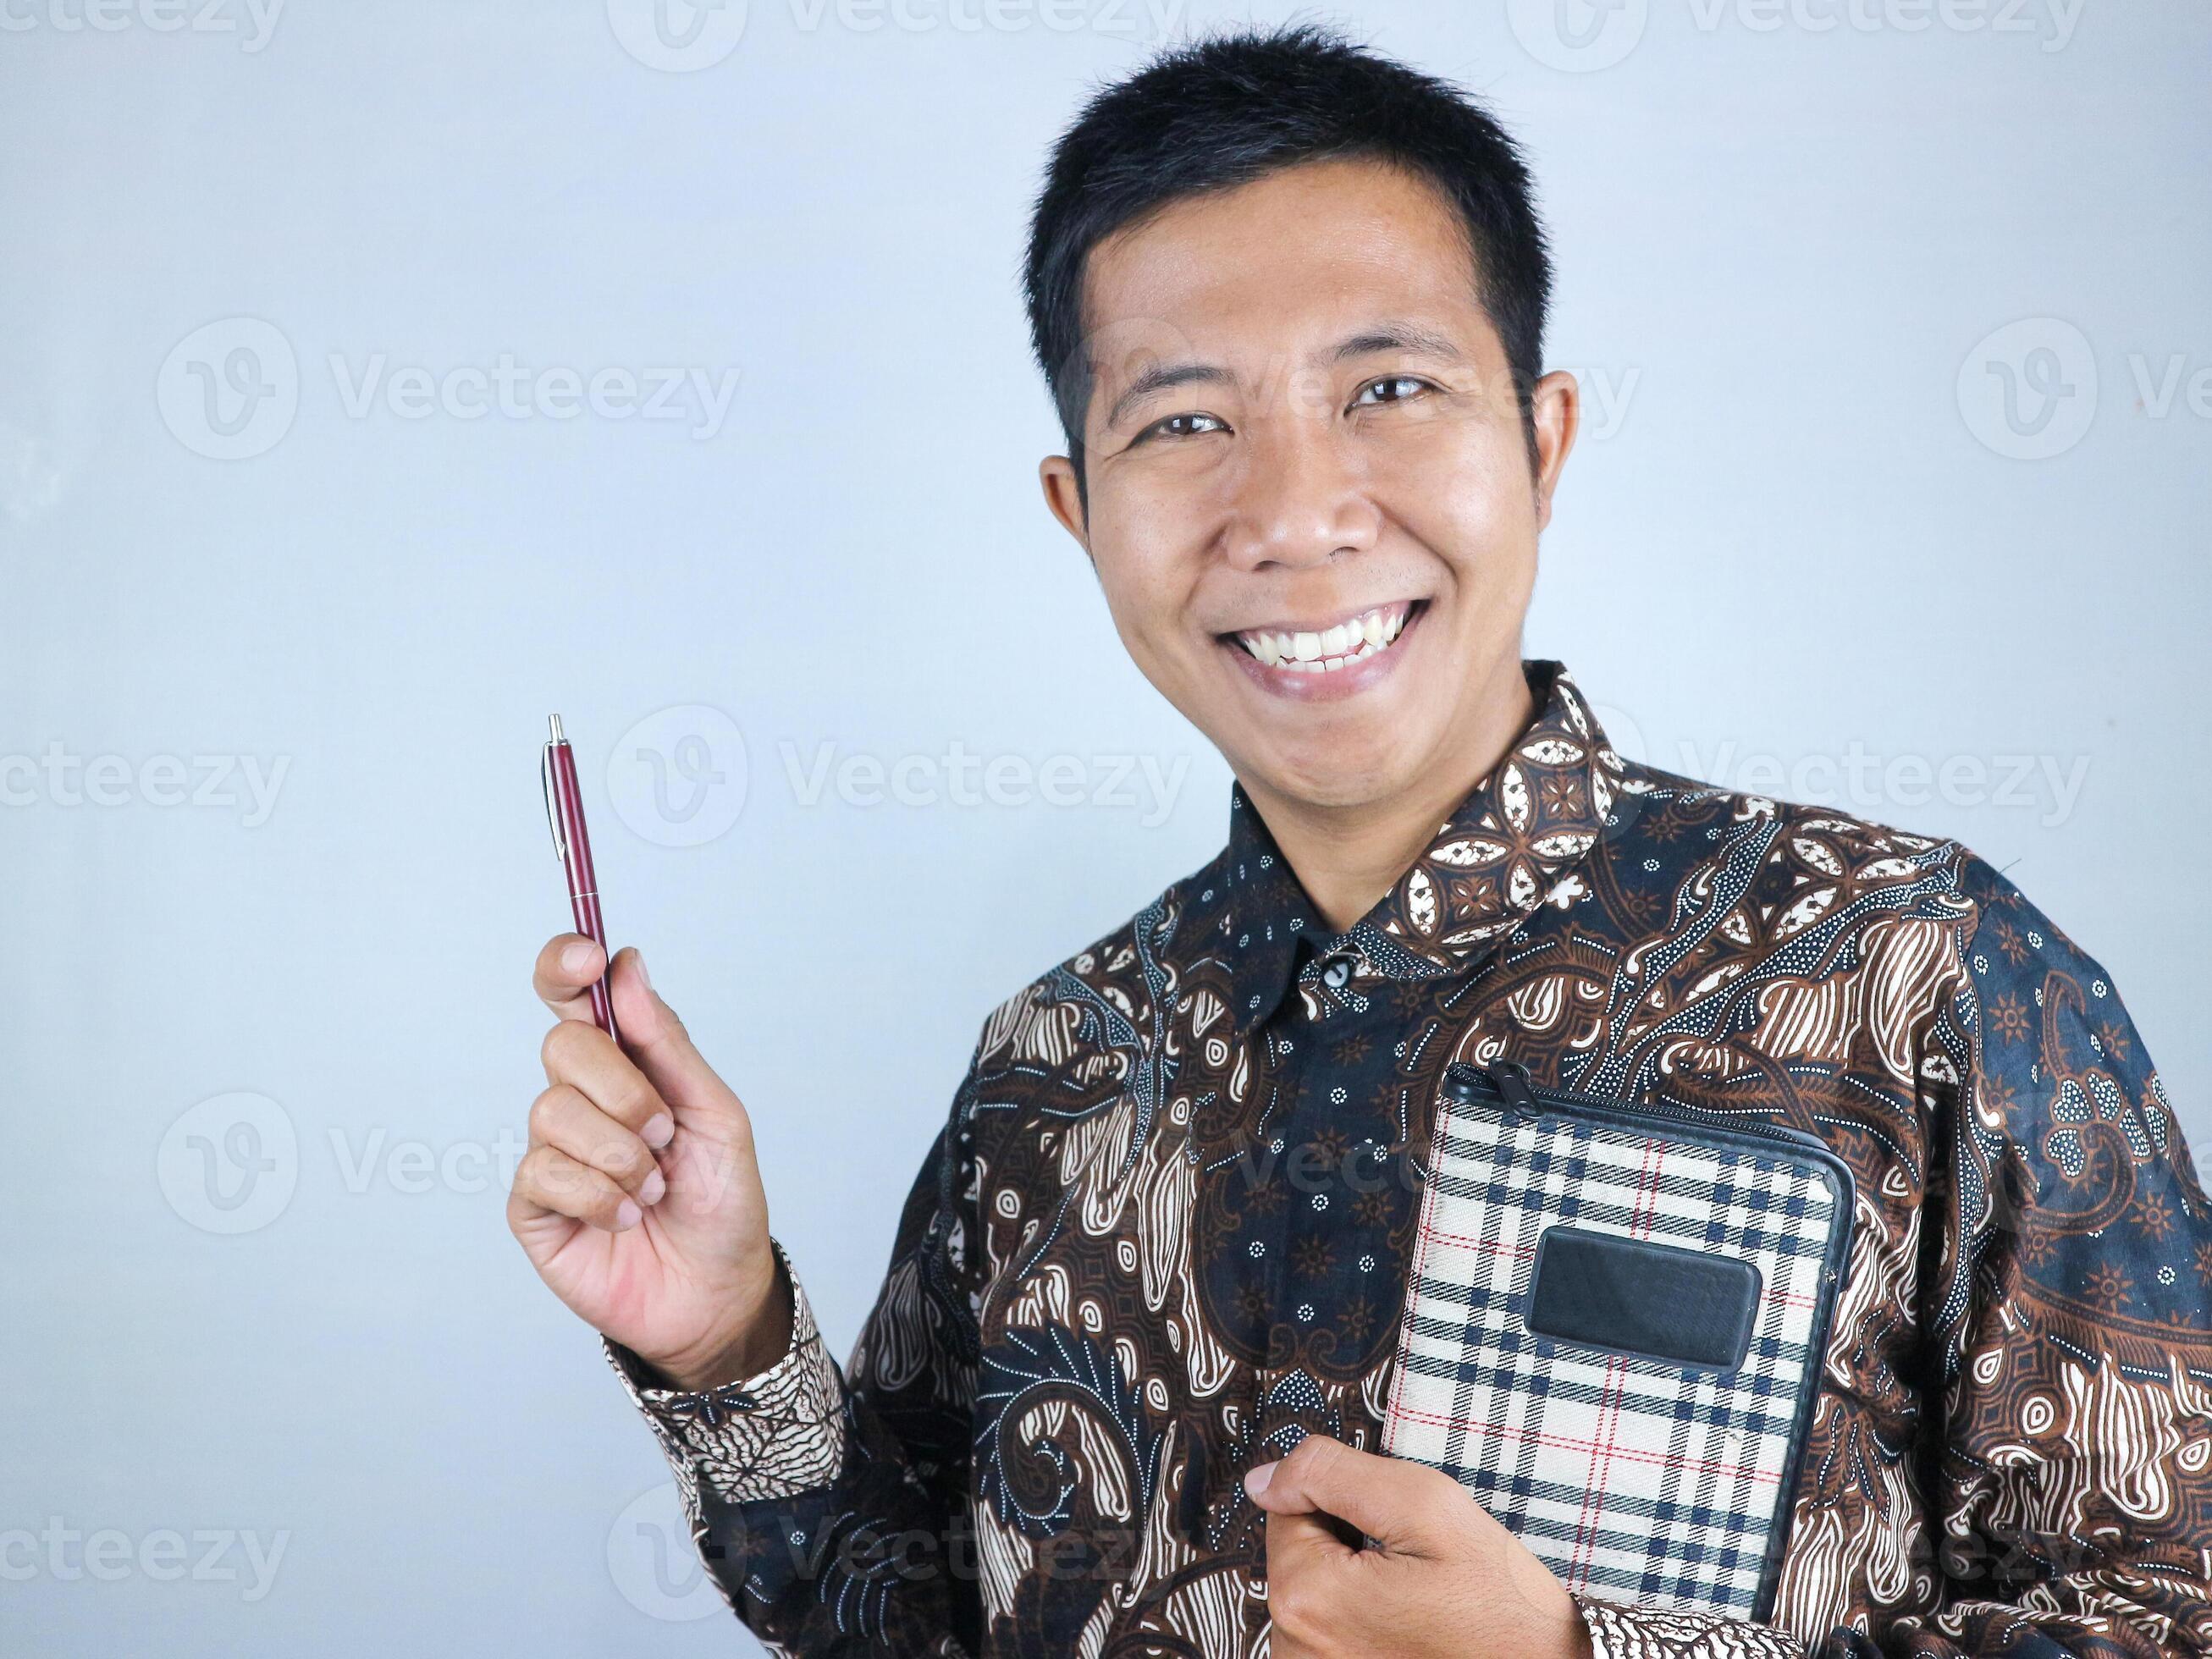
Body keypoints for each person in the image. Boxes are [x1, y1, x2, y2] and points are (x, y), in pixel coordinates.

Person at [506, 25, 2211, 1658]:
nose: (1297, 512)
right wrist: (726, 1332)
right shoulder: (1053, 1068)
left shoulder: (1909, 969)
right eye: (1181, 420)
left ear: (1538, 444)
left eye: (1385, 385)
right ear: (1075, 510)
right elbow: (907, 1612)